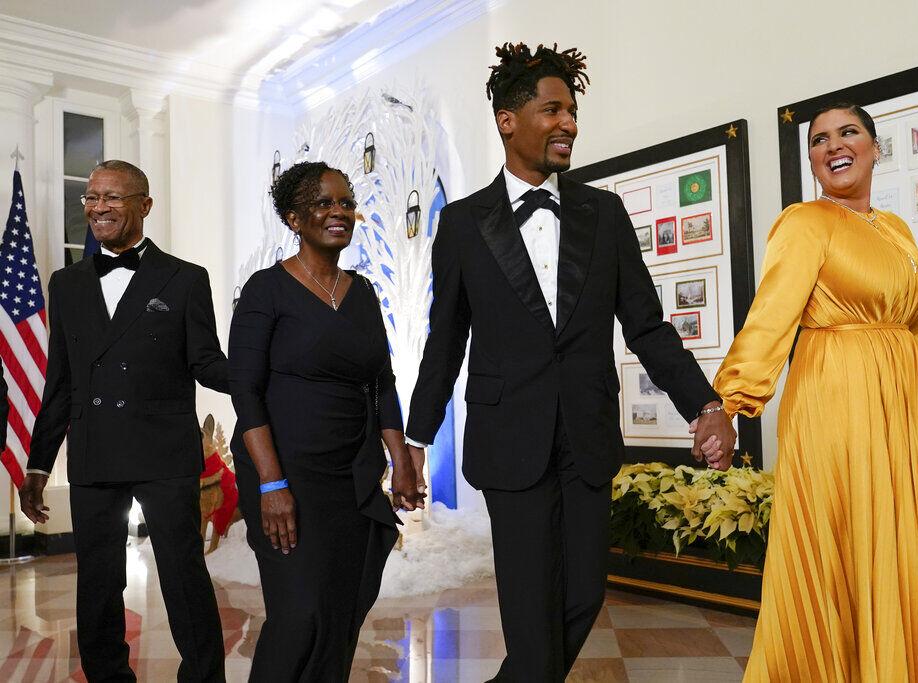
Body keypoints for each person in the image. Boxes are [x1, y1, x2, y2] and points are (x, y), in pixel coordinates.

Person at [403, 43, 736, 682]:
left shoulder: (603, 214)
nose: (570, 124)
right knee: (531, 609)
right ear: (508, 119)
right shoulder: (465, 225)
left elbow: (647, 326)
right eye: (553, 109)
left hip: (585, 435)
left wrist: (705, 404)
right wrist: (416, 438)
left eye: (573, 112)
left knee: (582, 595)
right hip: (509, 439)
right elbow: (445, 339)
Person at [706, 103, 918, 682]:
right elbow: (771, 315)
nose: (833, 145)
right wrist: (728, 404)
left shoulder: (897, 230)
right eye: (819, 139)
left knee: (900, 543)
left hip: (901, 407)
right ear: (811, 159)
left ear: (875, 148)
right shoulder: (805, 221)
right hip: (835, 397)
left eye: (848, 133)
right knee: (840, 541)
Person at [20, 160, 228, 682]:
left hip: (164, 451)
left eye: (112, 197)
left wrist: (264, 372)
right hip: (95, 450)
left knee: (183, 576)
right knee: (97, 582)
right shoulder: (65, 283)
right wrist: (39, 466)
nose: (98, 208)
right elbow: (60, 379)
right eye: (91, 198)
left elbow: (206, 362)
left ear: (144, 205)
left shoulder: (185, 279)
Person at [228, 161, 423, 682]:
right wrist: (272, 483)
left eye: (345, 202)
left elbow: (381, 382)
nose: (339, 212)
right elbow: (245, 393)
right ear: (293, 218)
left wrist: (402, 461)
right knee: (300, 615)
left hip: (352, 475)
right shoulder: (265, 290)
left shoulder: (362, 294)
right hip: (286, 472)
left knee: (343, 608)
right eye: (323, 203)